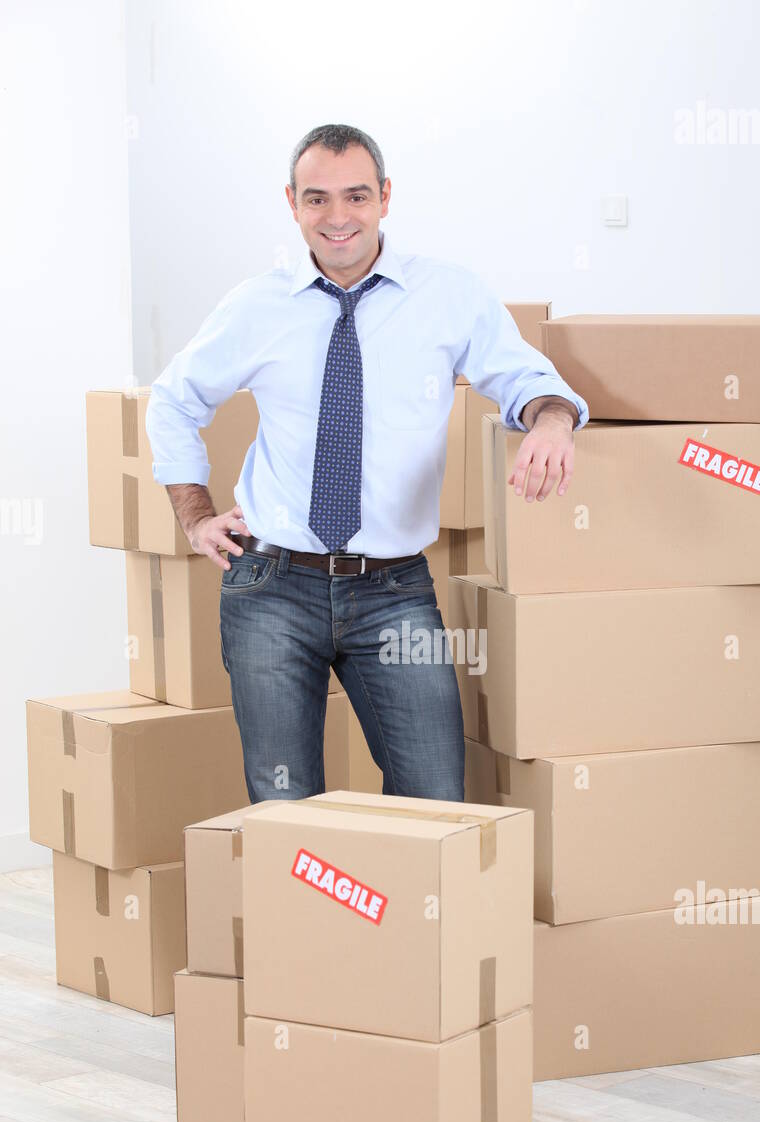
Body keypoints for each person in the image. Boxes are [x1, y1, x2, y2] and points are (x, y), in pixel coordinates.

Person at [146, 123, 588, 804]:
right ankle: (301, 915)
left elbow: (526, 379)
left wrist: (554, 420)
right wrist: (195, 516)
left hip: (394, 593)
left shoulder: (450, 296)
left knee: (435, 794)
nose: (338, 217)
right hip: (270, 586)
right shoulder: (256, 306)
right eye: (316, 199)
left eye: (355, 196)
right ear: (292, 205)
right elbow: (174, 400)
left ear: (384, 197)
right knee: (283, 804)